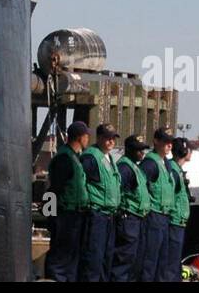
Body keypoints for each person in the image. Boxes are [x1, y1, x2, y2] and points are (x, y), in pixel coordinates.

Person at [43, 121, 91, 281]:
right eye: (86, 136)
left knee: (71, 256)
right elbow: (53, 188)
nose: (88, 139)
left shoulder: (74, 157)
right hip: (65, 215)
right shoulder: (64, 159)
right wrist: (51, 218)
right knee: (61, 255)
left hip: (75, 215)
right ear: (79, 137)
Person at [78, 124, 120, 281]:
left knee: (106, 260)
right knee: (93, 260)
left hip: (109, 216)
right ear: (99, 138)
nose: (111, 141)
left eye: (113, 138)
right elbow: (79, 182)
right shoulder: (91, 157)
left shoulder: (109, 158)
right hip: (96, 215)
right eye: (107, 138)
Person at [111, 135, 151, 282]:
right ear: (129, 150)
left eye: (143, 150)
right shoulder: (124, 167)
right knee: (124, 259)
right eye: (138, 150)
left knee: (135, 261)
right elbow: (117, 191)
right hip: (129, 219)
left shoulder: (135, 167)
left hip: (138, 219)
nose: (142, 153)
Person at [138, 128, 174, 282]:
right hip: (153, 216)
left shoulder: (165, 162)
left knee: (162, 261)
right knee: (150, 260)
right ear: (156, 141)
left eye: (170, 142)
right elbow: (140, 187)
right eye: (165, 141)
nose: (168, 145)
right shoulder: (150, 163)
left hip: (165, 216)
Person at [162, 137, 193, 282]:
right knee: (171, 265)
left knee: (175, 264)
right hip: (174, 222)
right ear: (185, 151)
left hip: (178, 222)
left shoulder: (176, 170)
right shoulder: (173, 170)